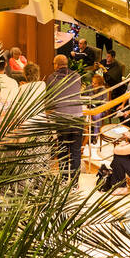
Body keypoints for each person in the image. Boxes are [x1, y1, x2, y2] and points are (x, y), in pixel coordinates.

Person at [45, 54, 83, 183]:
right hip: (77, 118)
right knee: (76, 152)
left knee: (63, 151)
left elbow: (49, 98)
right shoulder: (77, 76)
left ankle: (64, 180)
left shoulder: (52, 78)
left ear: (56, 65)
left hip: (62, 119)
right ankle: (75, 183)